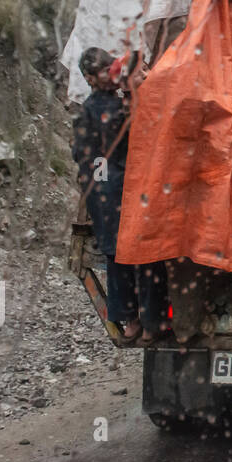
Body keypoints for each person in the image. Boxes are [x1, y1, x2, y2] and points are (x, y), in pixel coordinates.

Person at [71, 47, 168, 344]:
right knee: (119, 257)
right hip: (112, 195)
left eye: (112, 68)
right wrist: (106, 186)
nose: (111, 75)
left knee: (146, 256)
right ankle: (132, 320)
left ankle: (152, 321)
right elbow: (86, 156)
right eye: (104, 72)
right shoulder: (91, 110)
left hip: (136, 189)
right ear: (90, 78)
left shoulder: (127, 98)